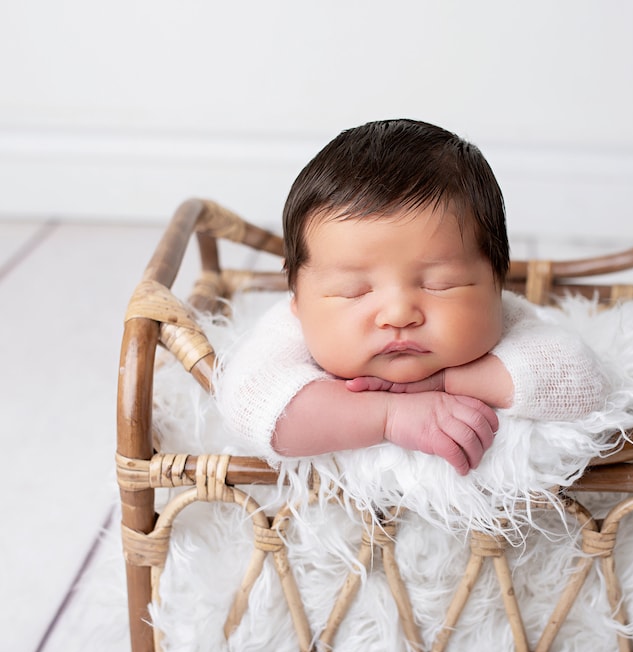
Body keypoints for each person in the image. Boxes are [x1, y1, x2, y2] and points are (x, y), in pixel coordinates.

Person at [216, 119, 607, 476]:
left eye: (440, 284)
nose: (399, 314)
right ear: (298, 298)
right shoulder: (293, 331)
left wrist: (449, 381)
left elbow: (582, 382)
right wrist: (389, 415)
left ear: (497, 282)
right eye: (354, 291)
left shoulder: (506, 321)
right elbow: (248, 404)